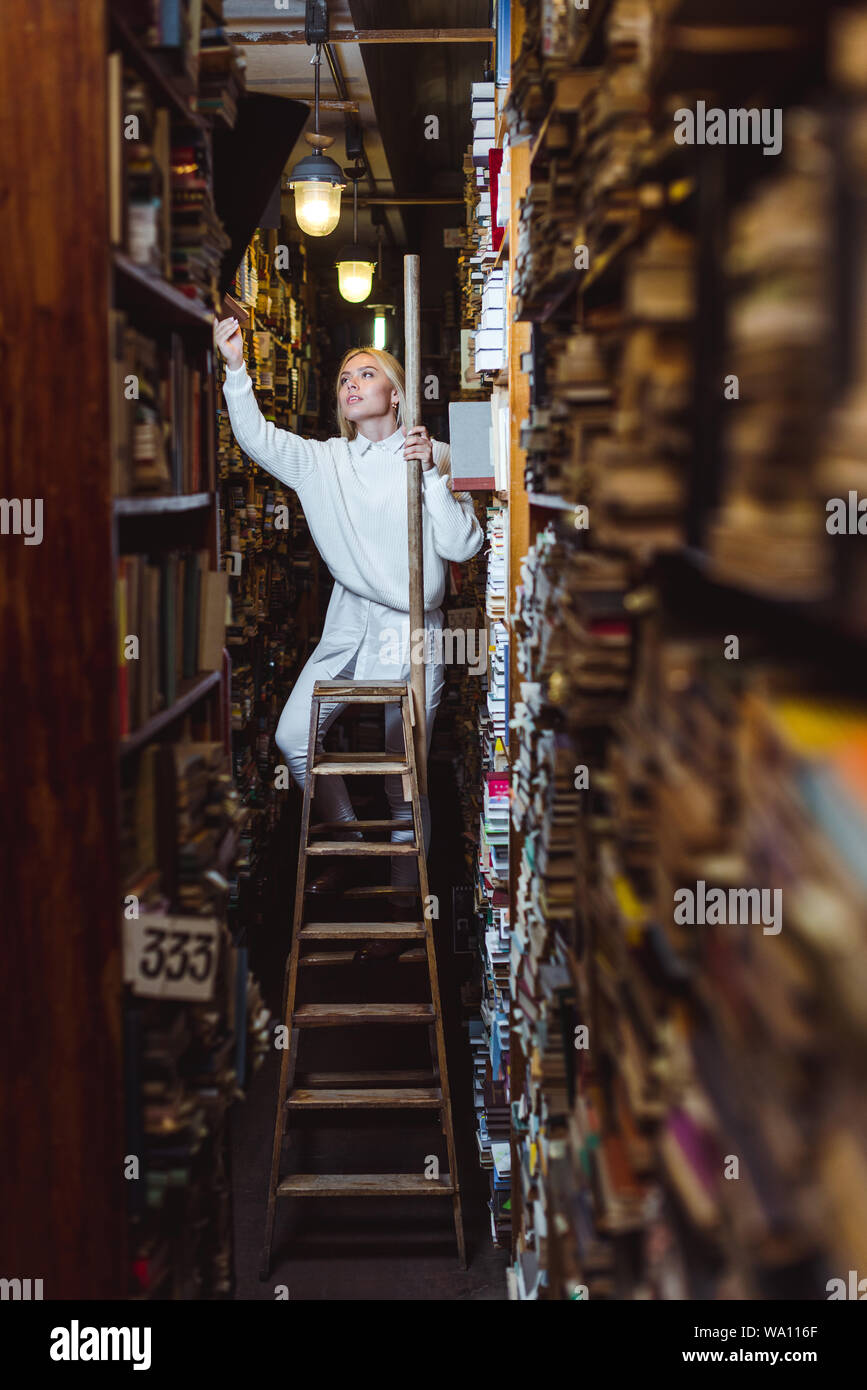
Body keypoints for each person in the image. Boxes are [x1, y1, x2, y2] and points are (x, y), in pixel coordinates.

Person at [215, 315, 484, 958]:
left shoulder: (430, 452)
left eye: (367, 374)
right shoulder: (324, 462)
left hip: (412, 629)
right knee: (290, 738)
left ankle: (400, 909)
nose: (351, 383)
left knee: (404, 772)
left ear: (396, 394)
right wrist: (235, 368)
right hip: (349, 618)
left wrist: (432, 474)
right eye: (344, 376)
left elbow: (463, 544)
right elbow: (256, 438)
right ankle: (354, 845)